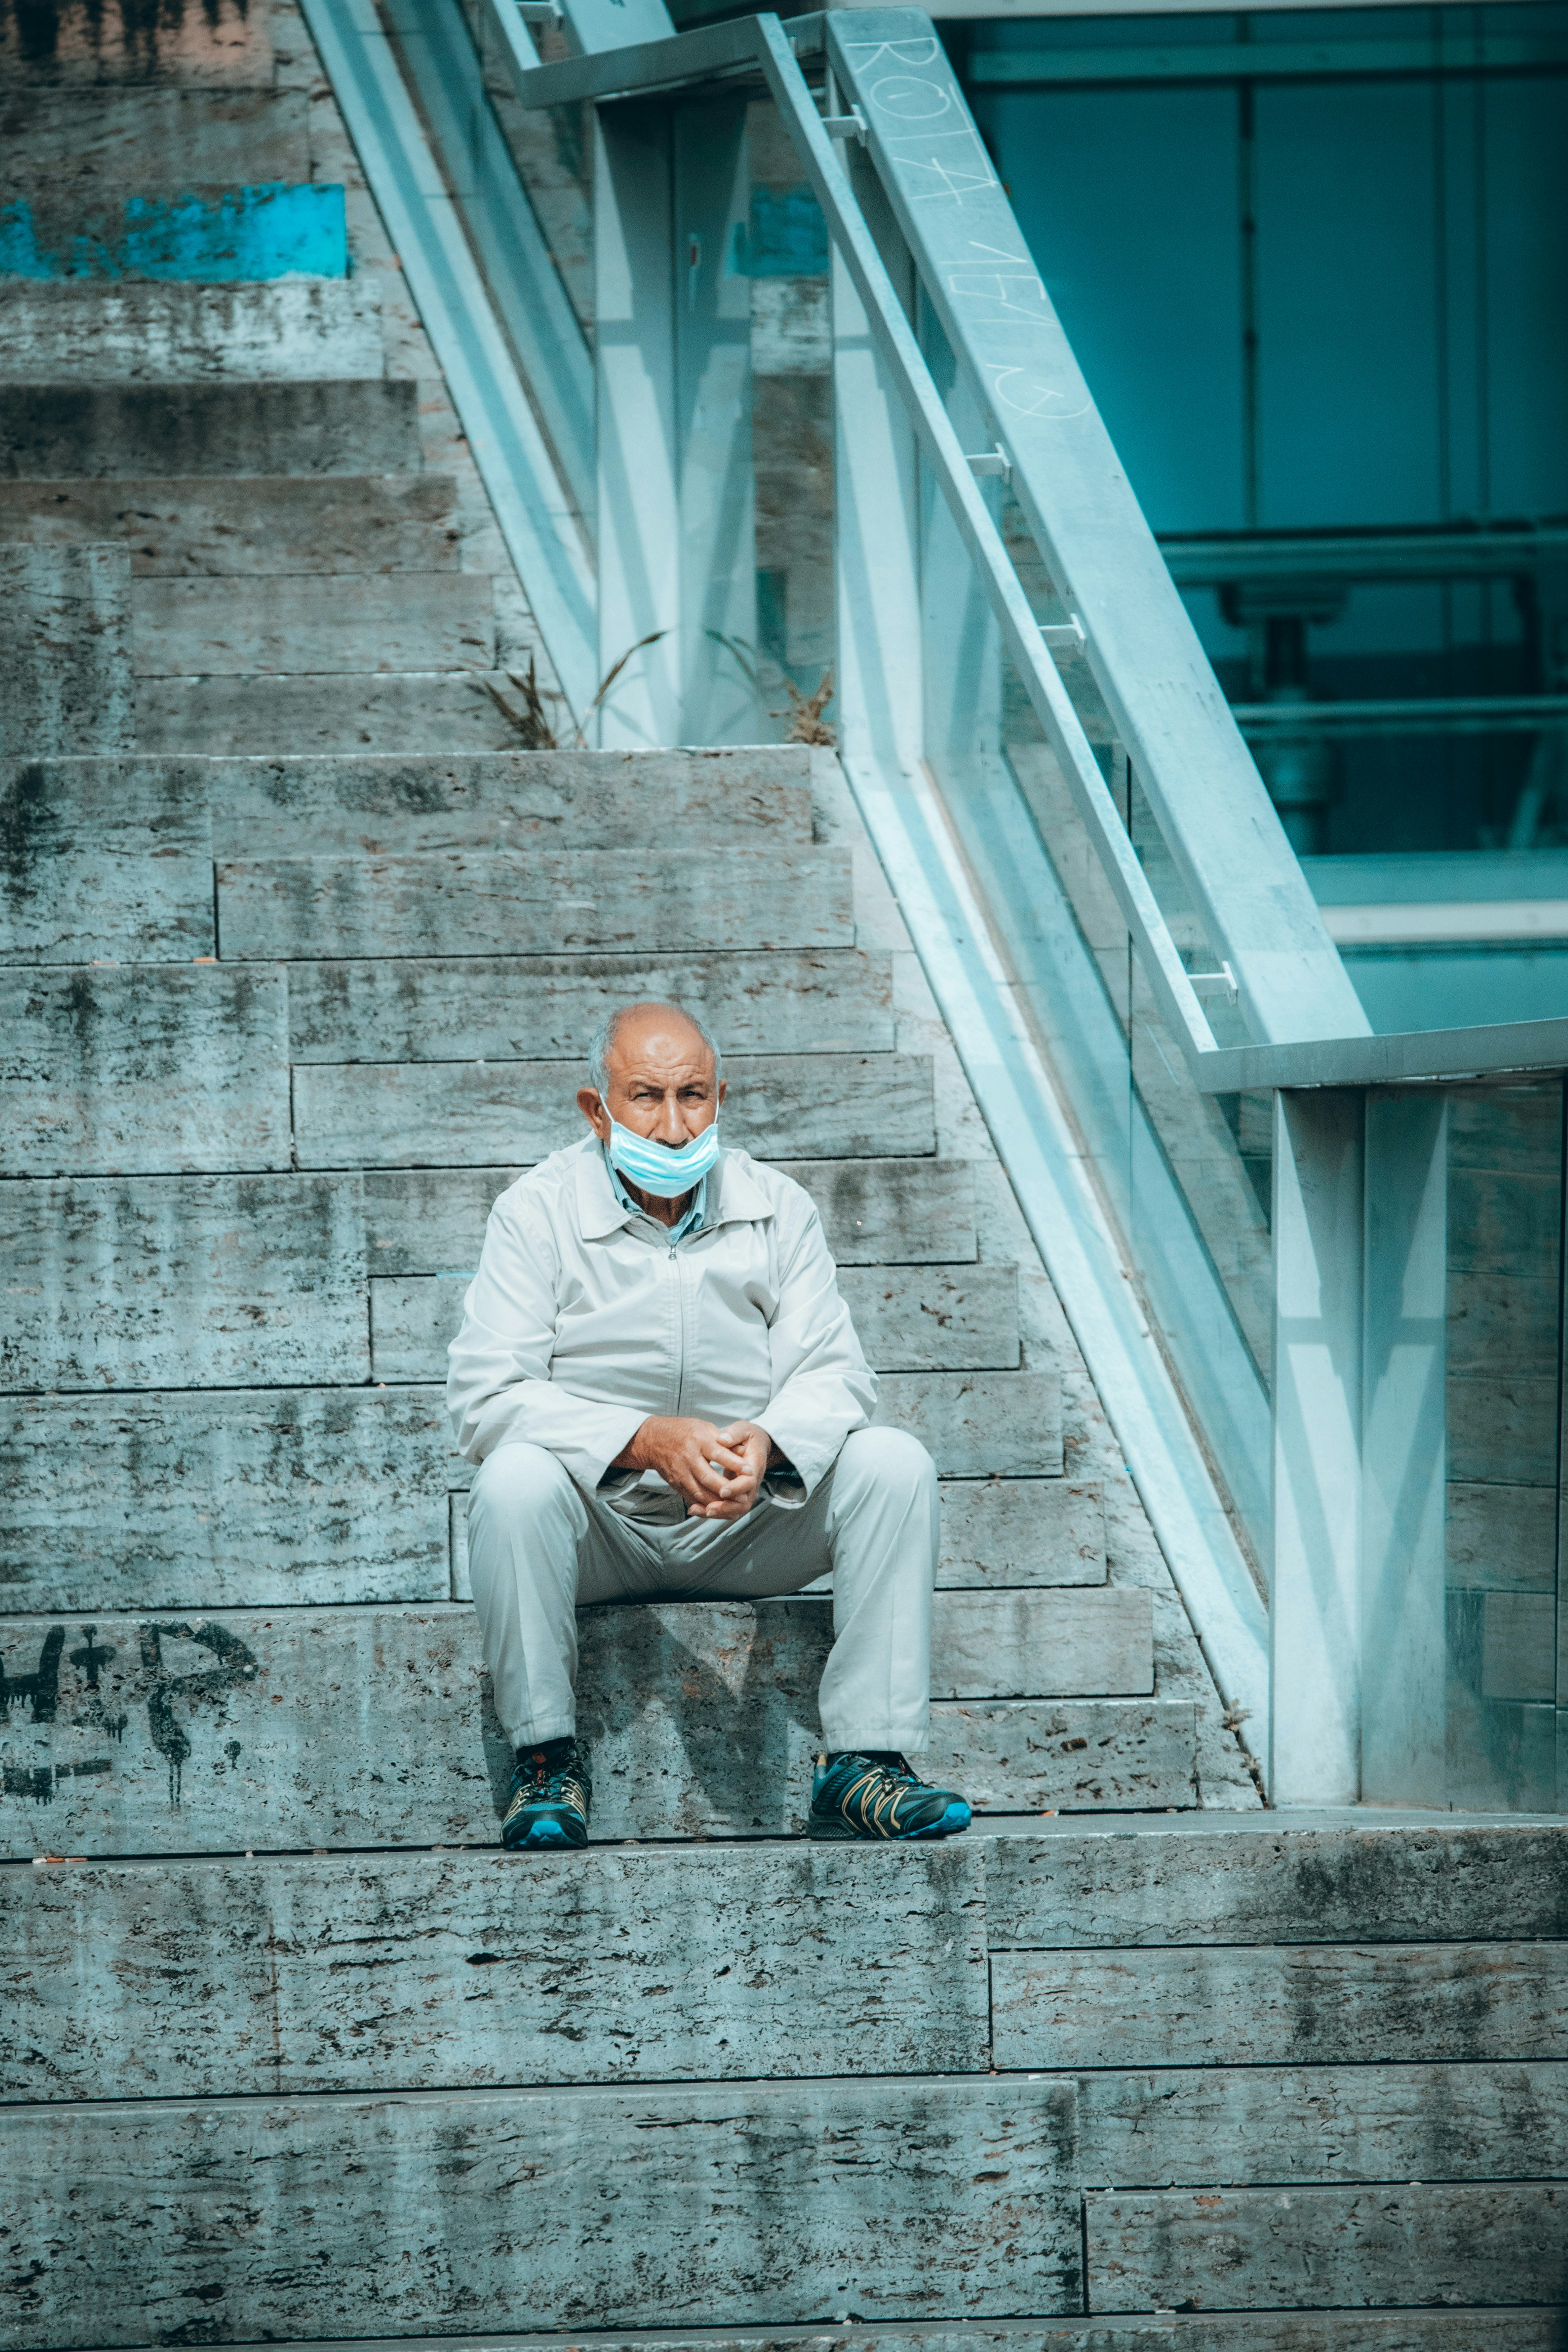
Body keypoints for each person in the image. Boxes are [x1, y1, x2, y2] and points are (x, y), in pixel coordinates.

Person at [447, 999, 970, 1851]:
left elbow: (836, 1373)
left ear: (721, 1098)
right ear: (597, 1107)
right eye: (645, 1095)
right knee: (511, 1481)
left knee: (893, 1462)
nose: (673, 1120)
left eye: (693, 1094)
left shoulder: (777, 1206)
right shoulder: (534, 1212)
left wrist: (768, 1448)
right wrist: (646, 1439)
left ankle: (865, 1762)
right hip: (598, 1530)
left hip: (744, 1523)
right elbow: (484, 1394)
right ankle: (545, 1761)